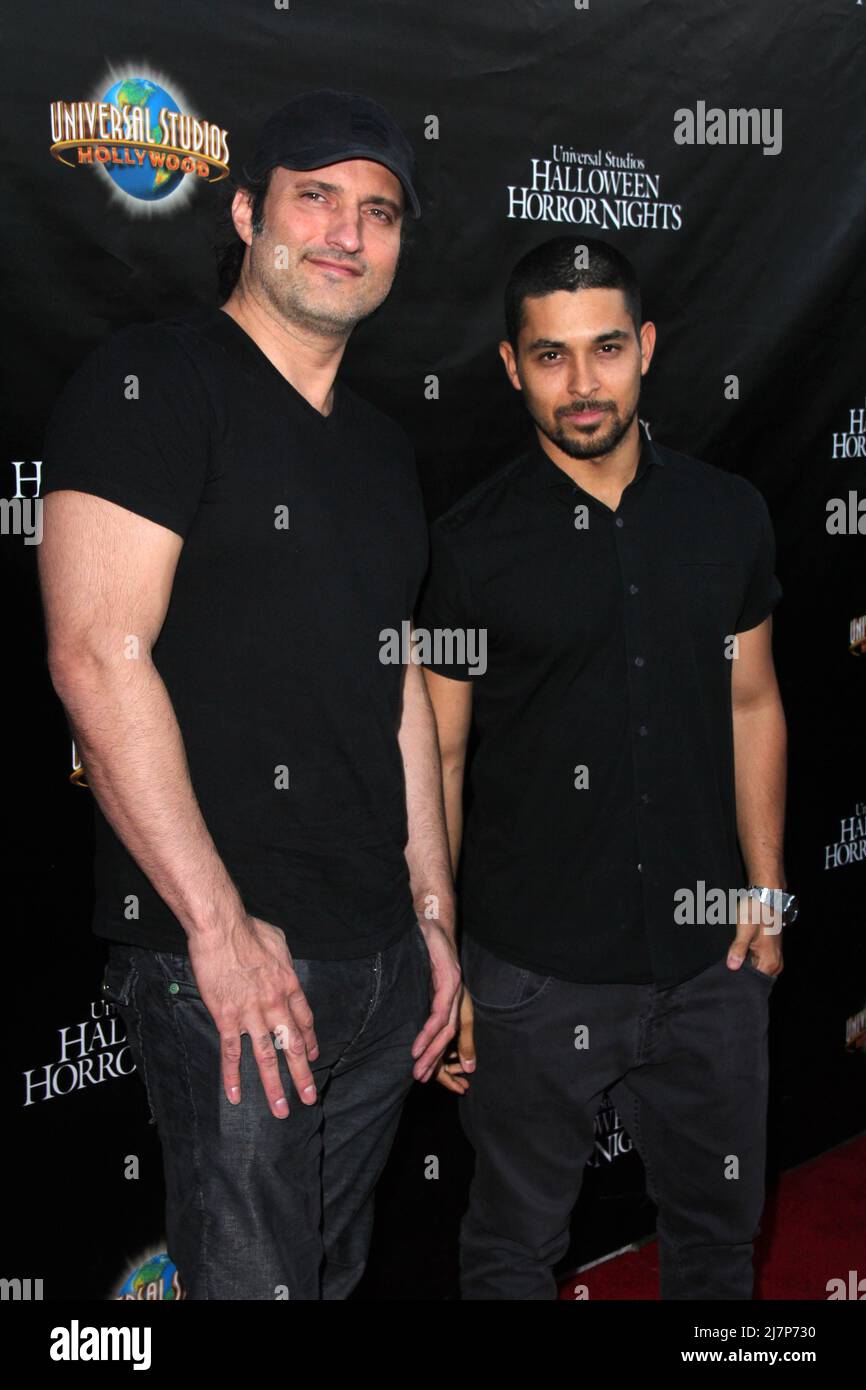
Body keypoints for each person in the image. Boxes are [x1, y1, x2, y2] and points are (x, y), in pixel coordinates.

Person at [37, 89, 460, 1301]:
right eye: (313, 197)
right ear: (244, 213)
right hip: (230, 959)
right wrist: (218, 932)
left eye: (376, 211)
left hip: (378, 955)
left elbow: (396, 694)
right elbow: (94, 654)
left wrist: (430, 915)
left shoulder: (382, 447)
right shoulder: (152, 384)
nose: (345, 230)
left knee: (324, 1275)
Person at [417, 235, 797, 1300]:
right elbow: (437, 753)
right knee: (509, 1252)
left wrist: (764, 884)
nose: (581, 385)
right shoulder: (465, 546)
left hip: (708, 968)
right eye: (549, 356)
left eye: (604, 349)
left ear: (646, 348)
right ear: (508, 365)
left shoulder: (726, 515)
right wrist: (446, 960)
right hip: (531, 974)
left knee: (718, 1243)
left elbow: (753, 699)